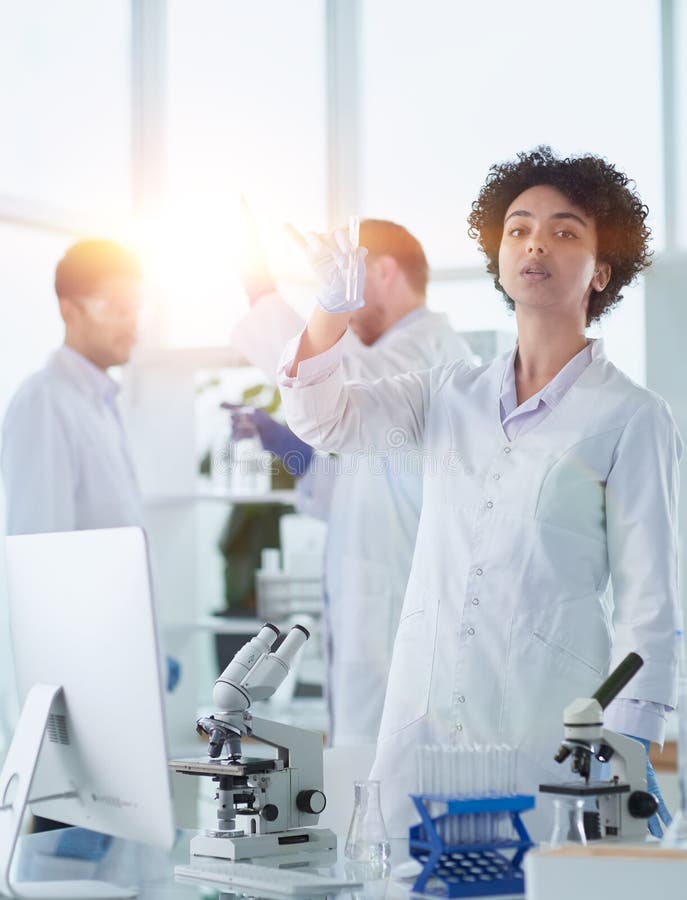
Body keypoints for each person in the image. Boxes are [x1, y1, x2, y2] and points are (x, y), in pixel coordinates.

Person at [277, 147, 681, 840]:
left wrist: (628, 738)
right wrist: (326, 312)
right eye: (518, 228)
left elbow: (650, 602)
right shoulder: (446, 392)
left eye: (564, 231)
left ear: (601, 271)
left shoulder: (630, 415)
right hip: (425, 725)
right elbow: (321, 416)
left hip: (549, 730)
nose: (534, 244)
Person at [230, 219, 473, 745]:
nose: (343, 308)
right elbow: (362, 476)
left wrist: (265, 295)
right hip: (378, 603)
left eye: (346, 284)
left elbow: (344, 379)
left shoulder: (427, 348)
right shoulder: (402, 351)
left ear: (380, 272)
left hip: (402, 609)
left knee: (389, 779)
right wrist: (295, 454)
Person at [2, 240, 144, 534]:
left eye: (135, 309)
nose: (132, 323)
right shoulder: (44, 404)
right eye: (117, 309)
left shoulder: (103, 403)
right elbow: (39, 545)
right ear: (69, 311)